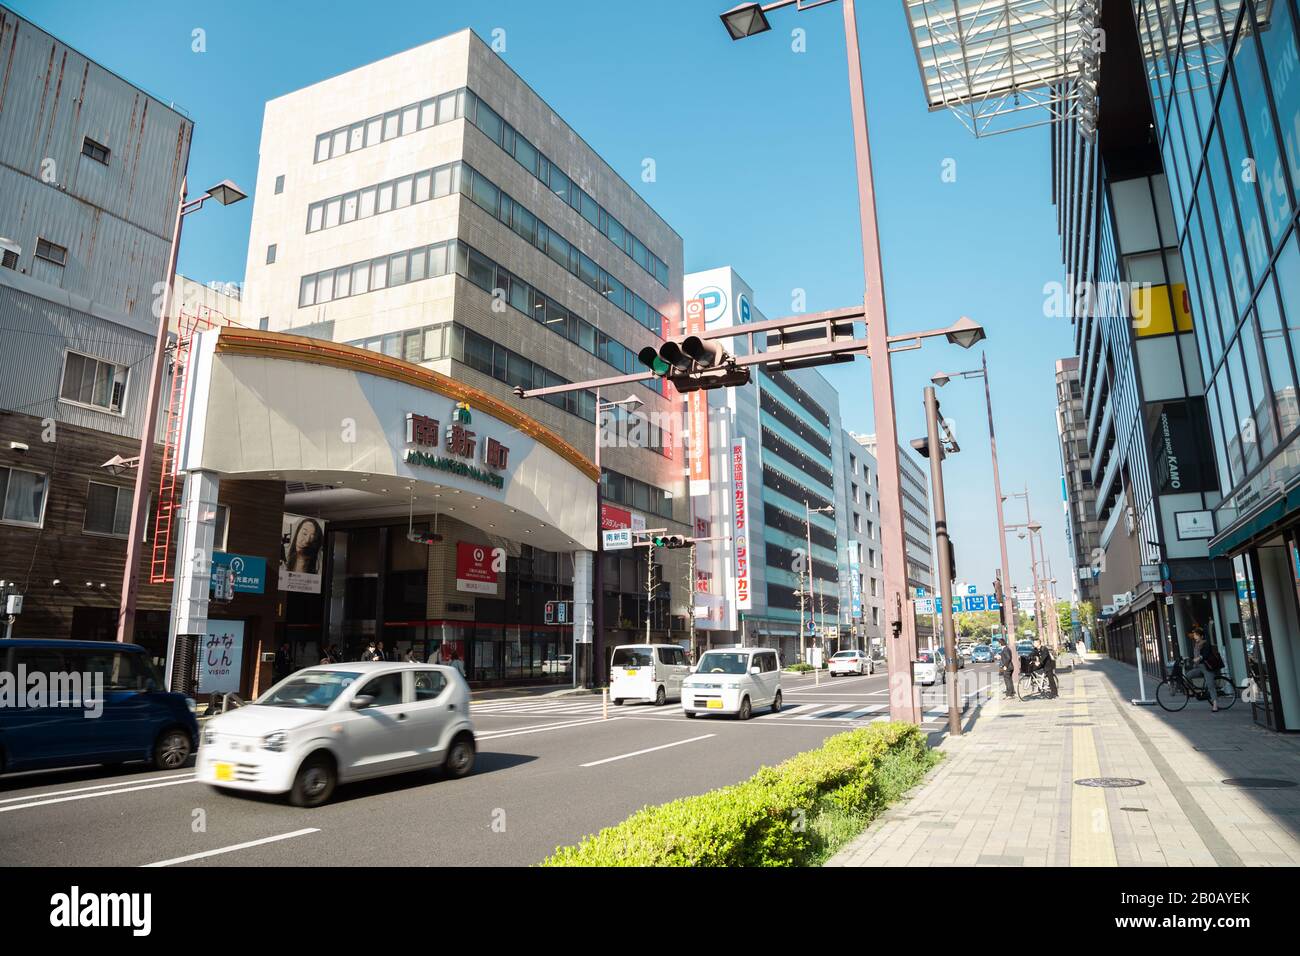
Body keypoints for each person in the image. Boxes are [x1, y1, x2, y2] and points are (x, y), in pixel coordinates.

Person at [1184, 626, 1223, 712]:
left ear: (1201, 636)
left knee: (1210, 686)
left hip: (1207, 667)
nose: (1195, 636)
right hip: (1199, 668)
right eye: (1194, 635)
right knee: (1188, 676)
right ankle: (1192, 691)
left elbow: (1206, 655)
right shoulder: (1196, 645)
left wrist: (1199, 658)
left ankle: (1215, 705)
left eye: (1196, 635)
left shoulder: (1205, 643)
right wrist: (1187, 657)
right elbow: (1195, 656)